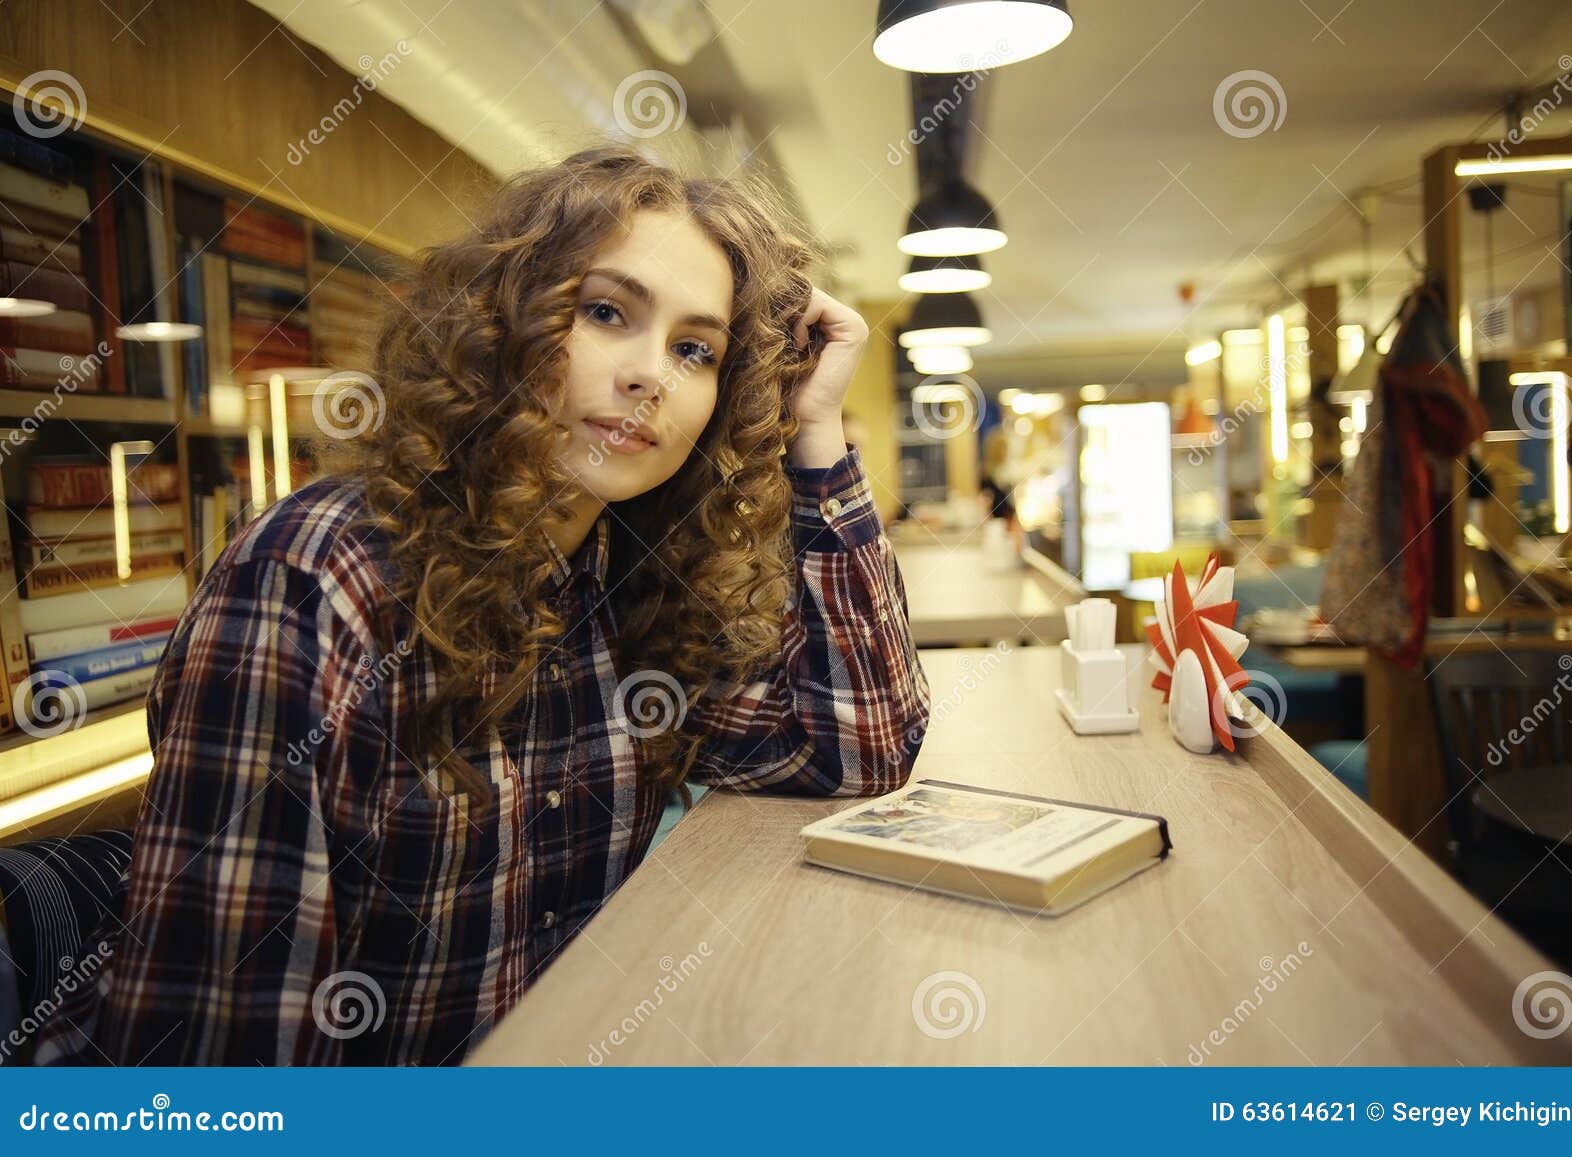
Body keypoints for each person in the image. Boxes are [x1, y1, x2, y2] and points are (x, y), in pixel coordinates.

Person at [33, 146, 931, 1066]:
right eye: (605, 312)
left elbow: (857, 750)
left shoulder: (630, 575)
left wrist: (816, 429)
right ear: (502, 323)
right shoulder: (316, 578)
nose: (649, 374)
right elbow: (230, 1063)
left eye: (695, 349)